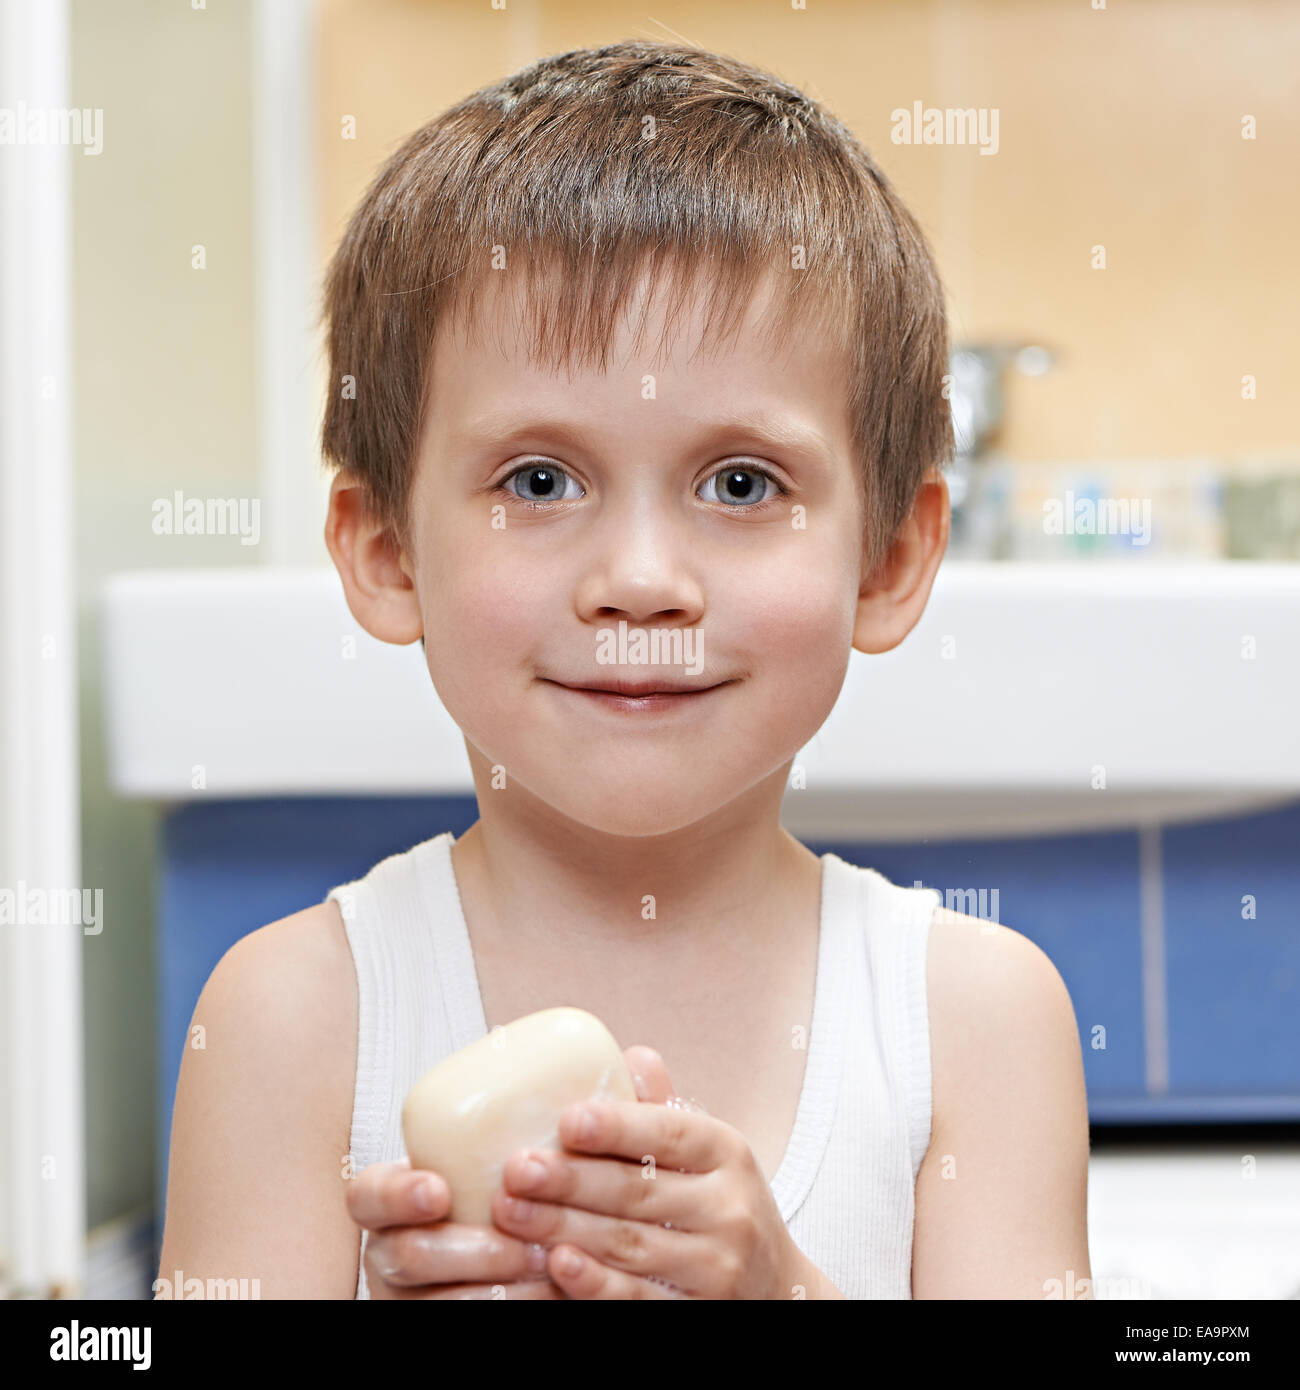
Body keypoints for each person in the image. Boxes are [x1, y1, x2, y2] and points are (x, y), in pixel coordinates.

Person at [157, 39, 1091, 1300]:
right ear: (385, 550)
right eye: (539, 481)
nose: (641, 576)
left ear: (890, 557)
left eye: (741, 482)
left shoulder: (974, 1019)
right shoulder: (293, 1019)